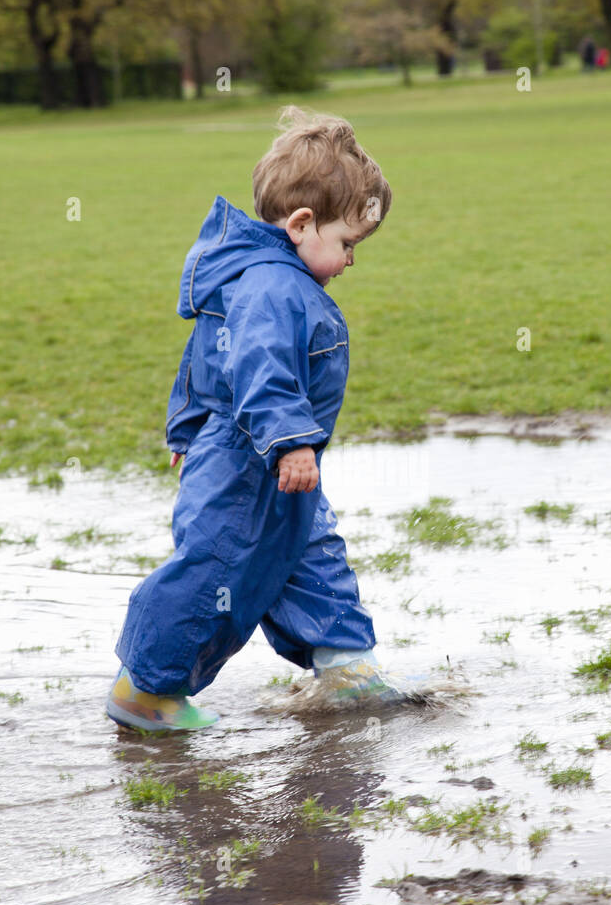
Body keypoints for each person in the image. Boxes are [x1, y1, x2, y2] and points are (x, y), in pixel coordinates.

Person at [107, 107, 395, 731]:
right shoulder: (272, 285)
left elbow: (200, 365)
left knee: (312, 551)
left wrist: (187, 428)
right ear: (301, 224)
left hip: (281, 462)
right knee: (216, 567)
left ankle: (347, 664)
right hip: (246, 460)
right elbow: (257, 370)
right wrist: (290, 442)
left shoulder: (268, 277)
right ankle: (146, 690)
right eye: (347, 244)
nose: (351, 261)